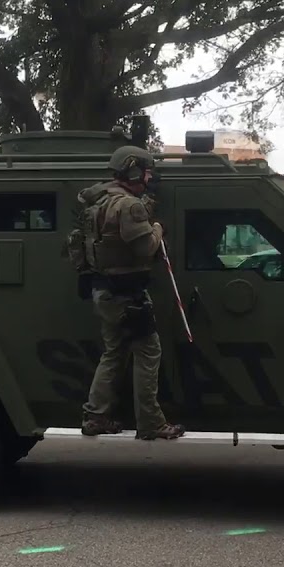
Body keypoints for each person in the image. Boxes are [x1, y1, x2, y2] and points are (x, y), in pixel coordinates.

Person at [75, 145, 184, 441]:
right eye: (147, 172)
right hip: (128, 295)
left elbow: (126, 222)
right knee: (149, 352)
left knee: (114, 352)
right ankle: (150, 422)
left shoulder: (100, 203)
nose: (148, 178)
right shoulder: (128, 206)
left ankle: (96, 415)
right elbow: (146, 246)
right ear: (134, 171)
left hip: (105, 292)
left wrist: (150, 202)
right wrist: (159, 228)